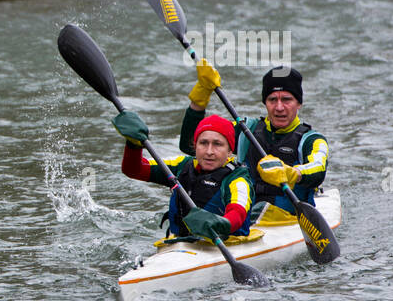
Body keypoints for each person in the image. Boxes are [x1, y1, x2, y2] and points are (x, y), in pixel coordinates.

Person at [178, 63, 328, 215]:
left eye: (287, 100)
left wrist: (292, 173)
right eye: (272, 99)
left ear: (299, 103)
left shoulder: (312, 140)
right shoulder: (246, 130)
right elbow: (190, 145)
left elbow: (318, 168)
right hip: (243, 217)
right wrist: (200, 97)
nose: (279, 107)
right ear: (265, 103)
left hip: (289, 219)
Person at [112, 110, 255, 242]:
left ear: (230, 151)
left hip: (226, 245)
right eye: (203, 143)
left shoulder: (238, 179)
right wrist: (133, 145)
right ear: (195, 145)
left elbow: (238, 212)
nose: (209, 151)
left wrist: (219, 224)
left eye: (217, 144)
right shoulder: (182, 165)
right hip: (181, 244)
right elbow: (134, 170)